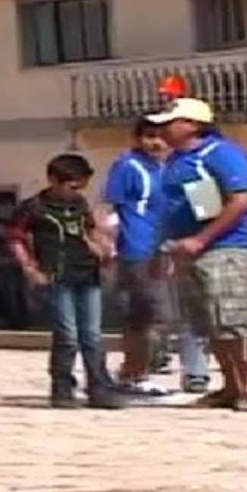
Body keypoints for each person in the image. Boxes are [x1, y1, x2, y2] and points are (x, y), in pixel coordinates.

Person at [148, 97, 247, 411]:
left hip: (222, 248)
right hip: (187, 249)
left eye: (170, 122)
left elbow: (239, 200)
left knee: (232, 319)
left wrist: (201, 239)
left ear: (193, 124)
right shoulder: (176, 160)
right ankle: (230, 385)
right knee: (207, 322)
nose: (162, 128)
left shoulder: (221, 154)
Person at [7, 153, 123, 409]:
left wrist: (99, 245)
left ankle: (99, 388)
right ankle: (62, 388)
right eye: (71, 186)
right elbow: (15, 237)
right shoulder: (32, 208)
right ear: (53, 180)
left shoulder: (80, 204)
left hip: (87, 274)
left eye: (80, 187)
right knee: (67, 335)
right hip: (57, 275)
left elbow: (89, 229)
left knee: (92, 335)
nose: (76, 192)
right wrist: (29, 267)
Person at [100, 117, 173, 396]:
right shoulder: (128, 166)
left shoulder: (166, 169)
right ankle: (135, 372)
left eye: (162, 136)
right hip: (137, 248)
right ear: (137, 138)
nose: (156, 142)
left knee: (143, 316)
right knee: (149, 314)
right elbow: (107, 206)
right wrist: (106, 244)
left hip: (163, 249)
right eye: (149, 136)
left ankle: (133, 372)